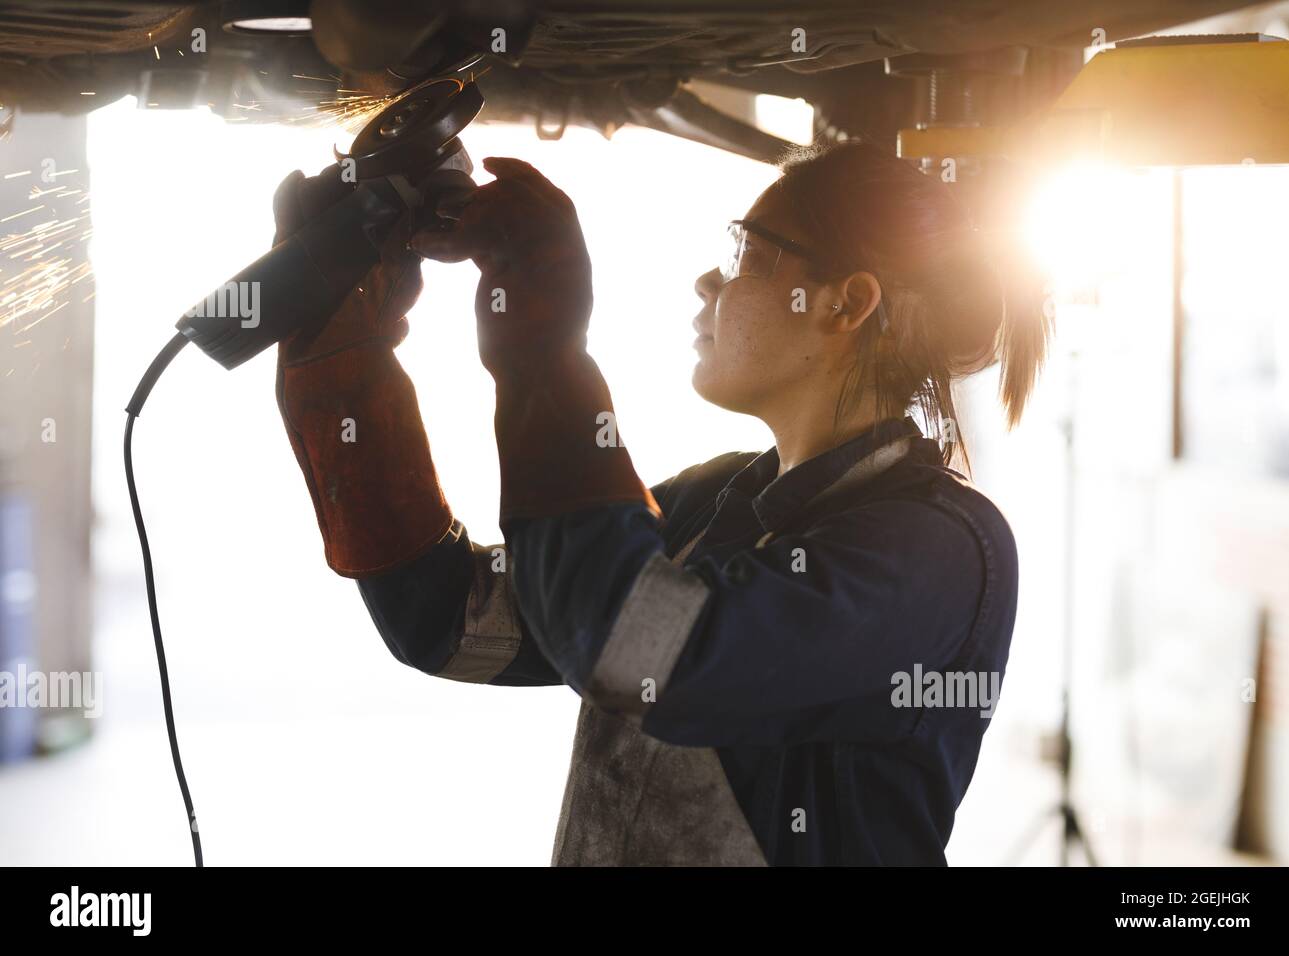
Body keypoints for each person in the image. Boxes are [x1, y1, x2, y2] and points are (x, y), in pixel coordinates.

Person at [270, 139, 1051, 866]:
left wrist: (541, 329)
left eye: (746, 252)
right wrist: (344, 342)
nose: (710, 281)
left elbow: (651, 661)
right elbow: (447, 622)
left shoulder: (941, 549)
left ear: (844, 305)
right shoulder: (722, 500)